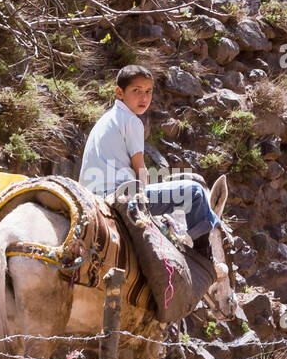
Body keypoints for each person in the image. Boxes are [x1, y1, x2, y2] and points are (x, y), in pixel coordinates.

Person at [79, 64, 221, 256]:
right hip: (118, 196)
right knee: (195, 192)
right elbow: (140, 169)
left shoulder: (107, 119)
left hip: (90, 195)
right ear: (119, 92)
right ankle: (204, 255)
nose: (144, 98)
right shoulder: (131, 120)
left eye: (148, 91)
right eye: (136, 91)